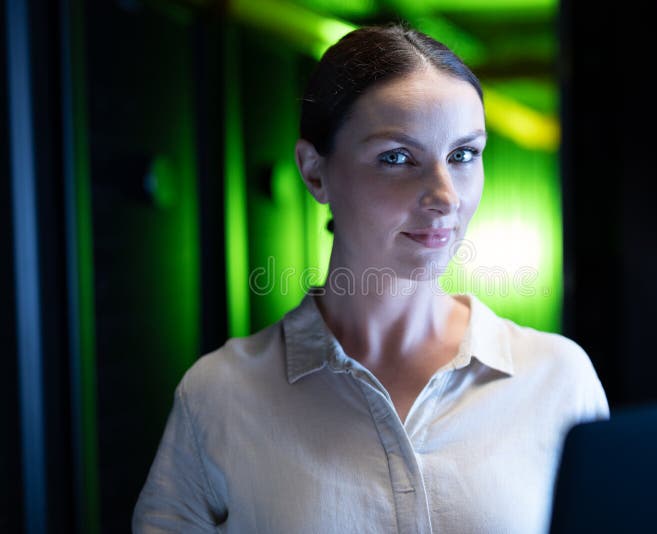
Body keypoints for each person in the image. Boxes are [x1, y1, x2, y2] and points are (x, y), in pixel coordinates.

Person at [132, 23, 608, 533]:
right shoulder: (220, 395)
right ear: (315, 173)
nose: (445, 196)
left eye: (463, 155)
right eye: (397, 158)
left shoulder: (558, 379)